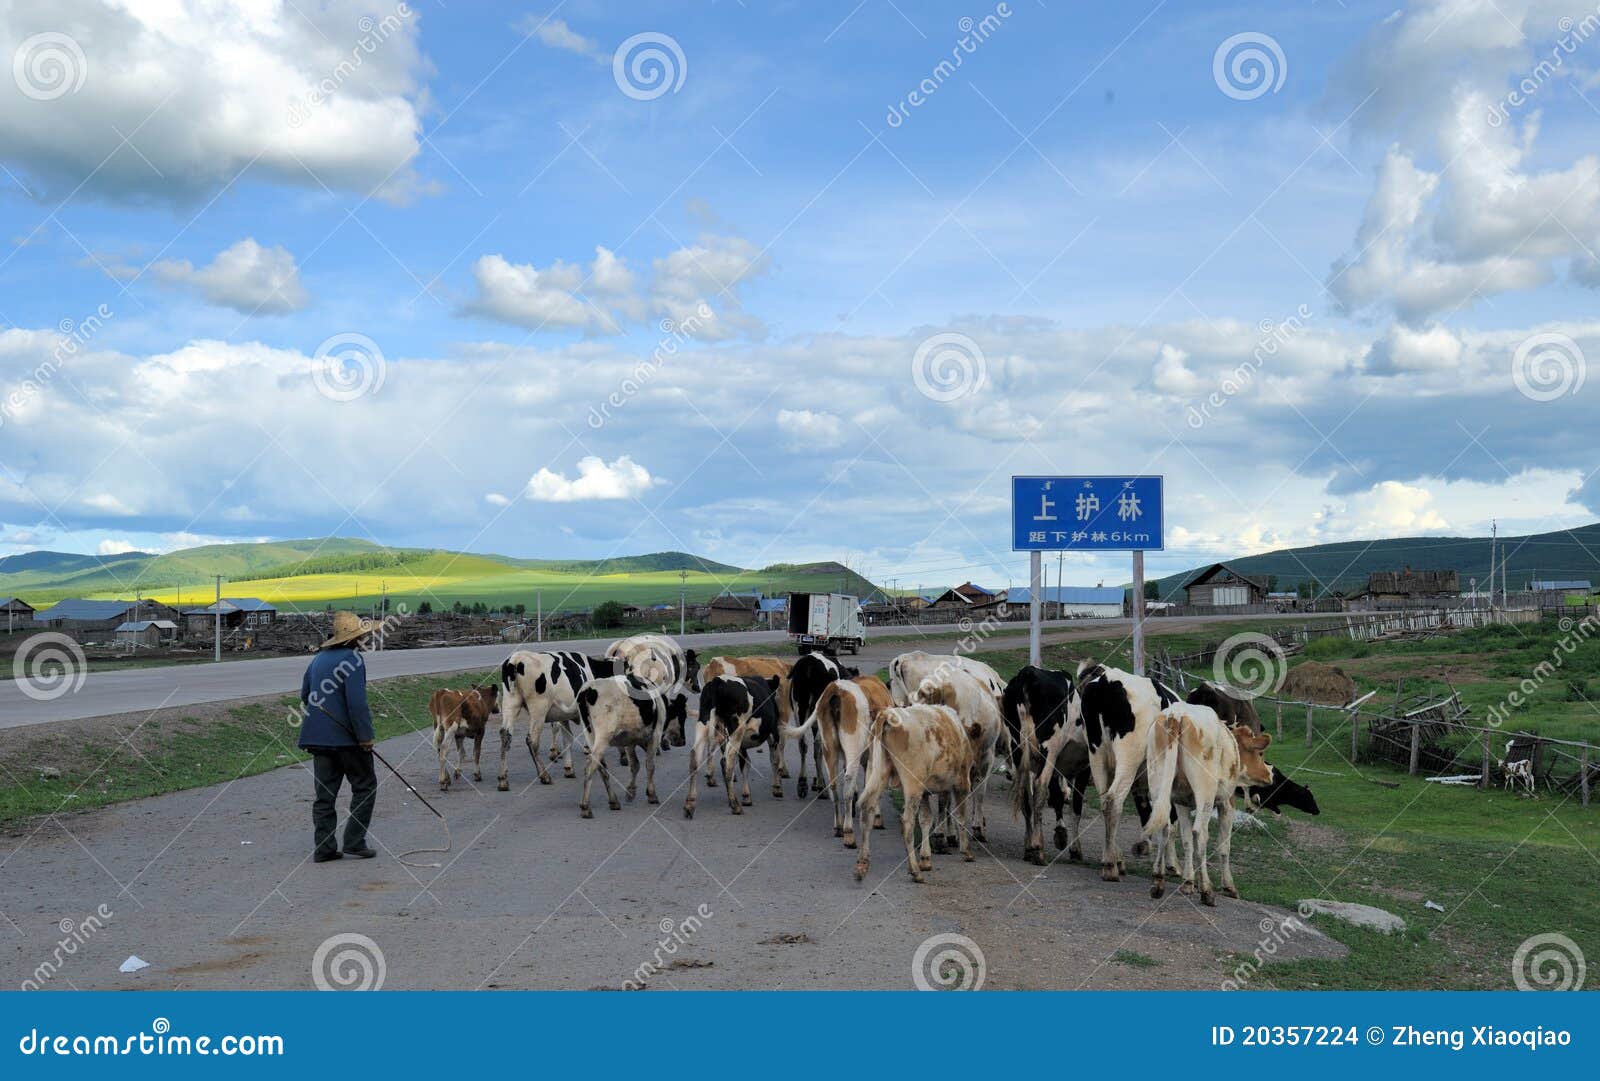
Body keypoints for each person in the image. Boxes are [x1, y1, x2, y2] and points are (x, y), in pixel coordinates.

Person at [299, 611, 380, 862]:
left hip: (317, 738)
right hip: (347, 740)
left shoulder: (317, 660)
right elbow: (357, 704)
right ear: (354, 639)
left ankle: (324, 848)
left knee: (325, 796)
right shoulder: (353, 660)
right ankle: (354, 842)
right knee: (365, 786)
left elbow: (305, 696)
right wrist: (365, 737)